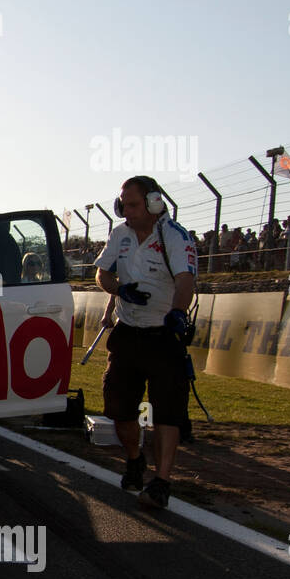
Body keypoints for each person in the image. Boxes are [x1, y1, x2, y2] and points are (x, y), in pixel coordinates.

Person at [94, 175, 197, 509]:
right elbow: (102, 273)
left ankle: (162, 481)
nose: (127, 210)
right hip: (126, 333)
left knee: (168, 412)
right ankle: (135, 458)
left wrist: (178, 312)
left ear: (154, 202)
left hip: (163, 335)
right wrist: (118, 289)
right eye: (123, 204)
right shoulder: (119, 235)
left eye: (134, 204)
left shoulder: (175, 237)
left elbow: (185, 280)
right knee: (120, 409)